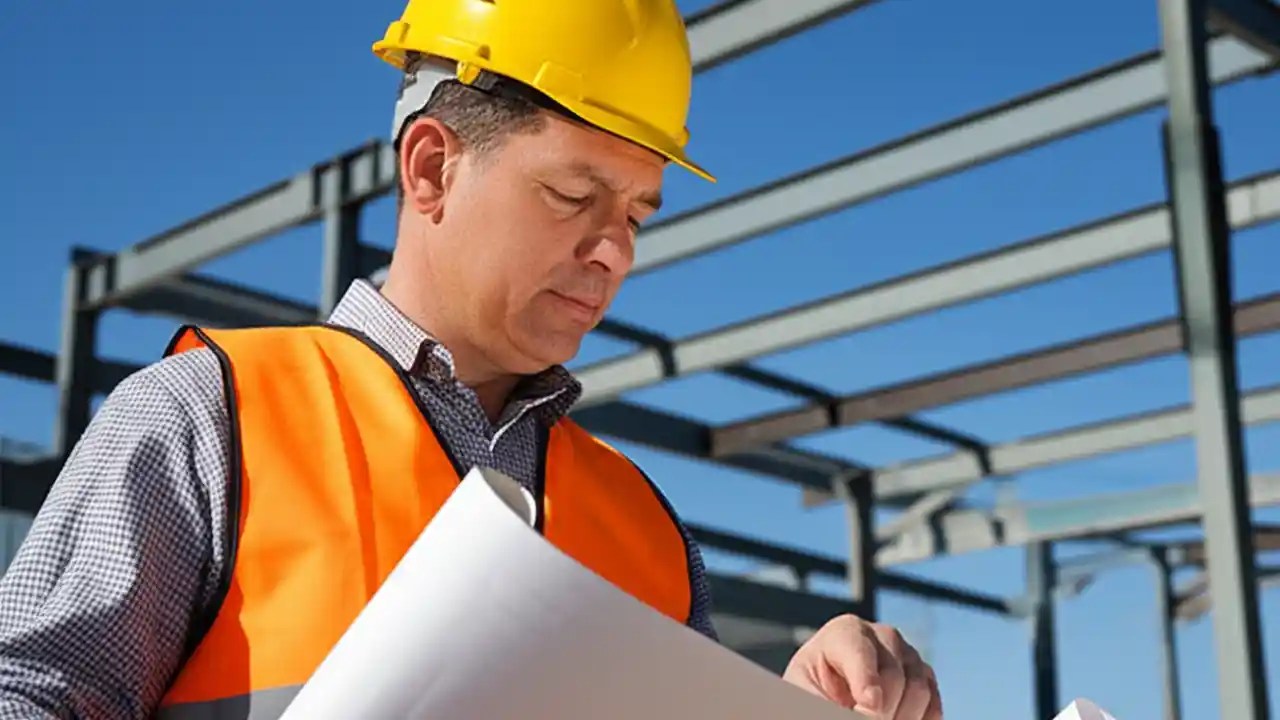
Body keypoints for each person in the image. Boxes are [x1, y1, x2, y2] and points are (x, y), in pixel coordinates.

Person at [0, 1, 942, 718]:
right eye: (575, 193)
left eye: (636, 215)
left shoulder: (648, 532)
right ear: (431, 169)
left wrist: (793, 702)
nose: (614, 250)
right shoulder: (210, 416)